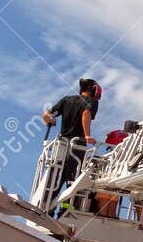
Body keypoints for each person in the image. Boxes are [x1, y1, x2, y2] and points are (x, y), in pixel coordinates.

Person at [43, 77, 101, 206]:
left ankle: (46, 206)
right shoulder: (92, 101)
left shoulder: (66, 99)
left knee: (56, 176)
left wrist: (50, 121)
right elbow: (86, 114)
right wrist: (87, 136)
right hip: (77, 145)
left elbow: (46, 115)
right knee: (73, 180)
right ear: (94, 90)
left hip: (61, 144)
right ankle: (66, 209)